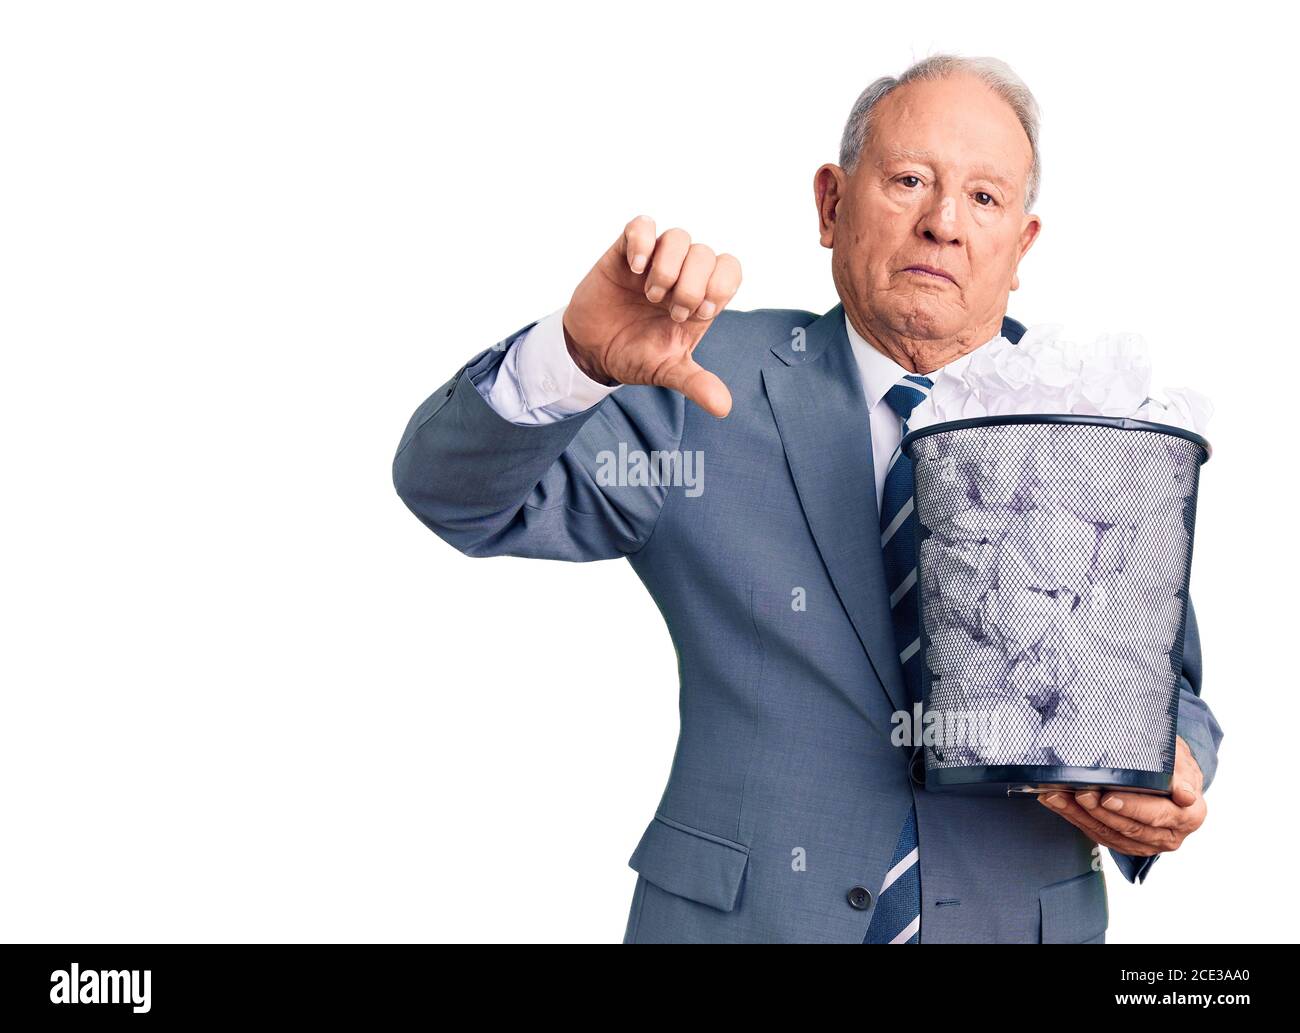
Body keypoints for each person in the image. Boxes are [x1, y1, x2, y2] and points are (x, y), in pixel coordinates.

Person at [392, 54, 1222, 943]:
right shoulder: (696, 377)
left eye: (984, 198)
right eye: (909, 180)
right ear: (831, 204)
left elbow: (1164, 685)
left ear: (1020, 247)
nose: (944, 223)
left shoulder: (1088, 421)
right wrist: (571, 360)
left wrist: (1169, 770)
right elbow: (458, 497)